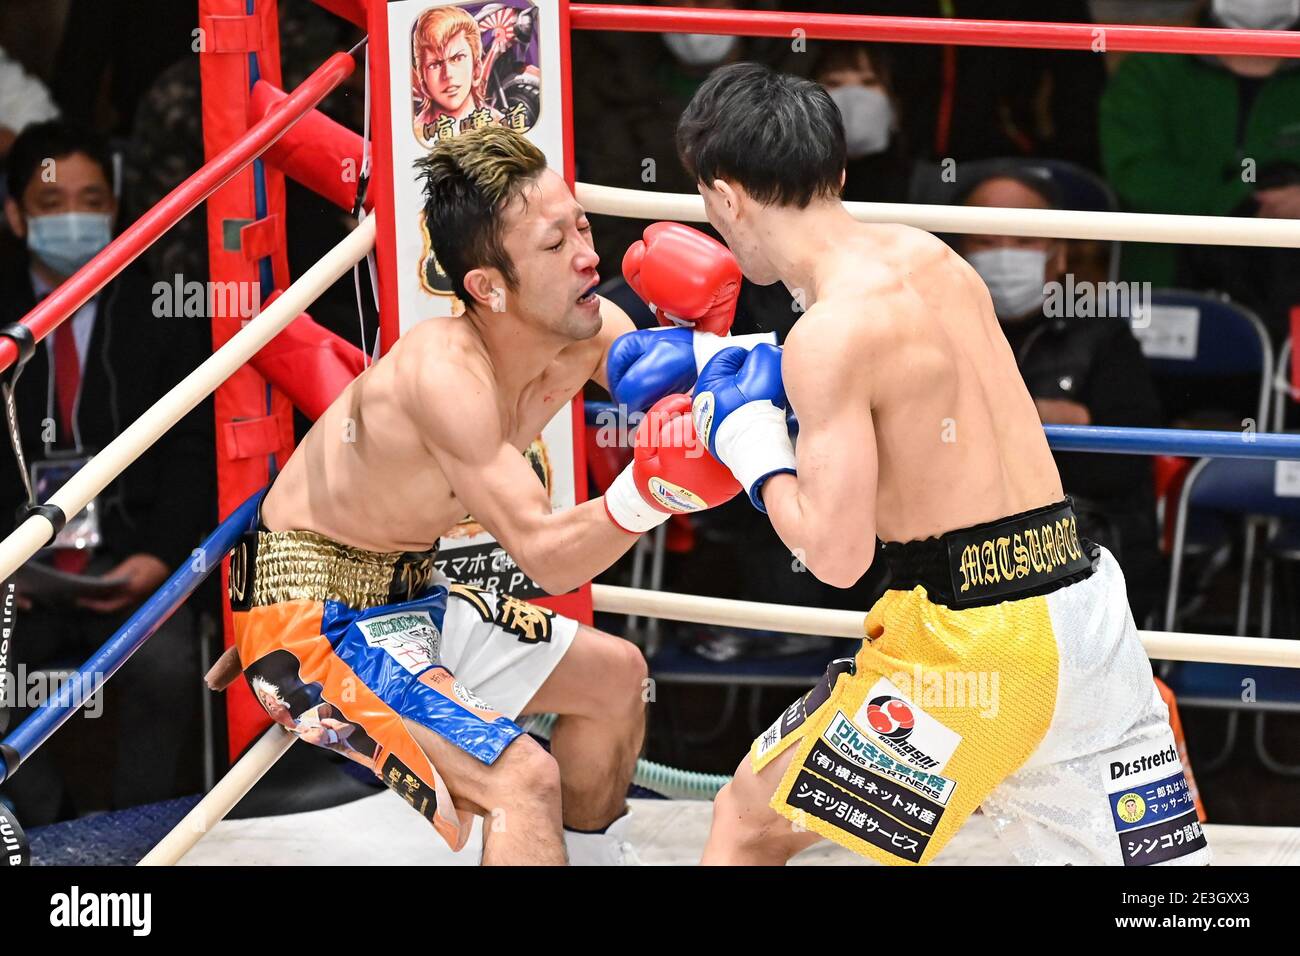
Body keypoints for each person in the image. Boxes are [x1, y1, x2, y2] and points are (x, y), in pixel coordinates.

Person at [657, 63, 1208, 866]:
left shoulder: (830, 337)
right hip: (1086, 609)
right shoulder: (932, 258)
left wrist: (752, 448)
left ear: (724, 198)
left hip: (972, 650)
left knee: (746, 820)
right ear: (837, 172)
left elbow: (838, 559)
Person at [208, 126, 745, 865]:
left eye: (582, 227)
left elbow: (694, 404)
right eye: (556, 247)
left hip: (415, 596)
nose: (590, 256)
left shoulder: (588, 330)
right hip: (307, 621)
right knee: (523, 777)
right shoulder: (444, 377)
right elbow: (549, 561)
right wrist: (650, 491)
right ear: (488, 286)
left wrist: (715, 349)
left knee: (618, 679)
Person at [0, 121, 213, 823]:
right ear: (14, 215)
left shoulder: (158, 311)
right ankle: (46, 831)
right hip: (14, 582)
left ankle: (132, 837)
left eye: (91, 200)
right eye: (53, 203)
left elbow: (192, 452)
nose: (76, 217)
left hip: (129, 568)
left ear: (115, 209)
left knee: (168, 668)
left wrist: (158, 556)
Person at [956, 163, 1166, 624]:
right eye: (986, 240)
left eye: (1024, 238)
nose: (1005, 253)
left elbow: (1118, 468)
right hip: (954, 547)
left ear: (1061, 251)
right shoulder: (931, 331)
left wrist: (980, 427)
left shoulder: (1103, 335)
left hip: (1075, 547)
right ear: (957, 253)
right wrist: (1042, 421)